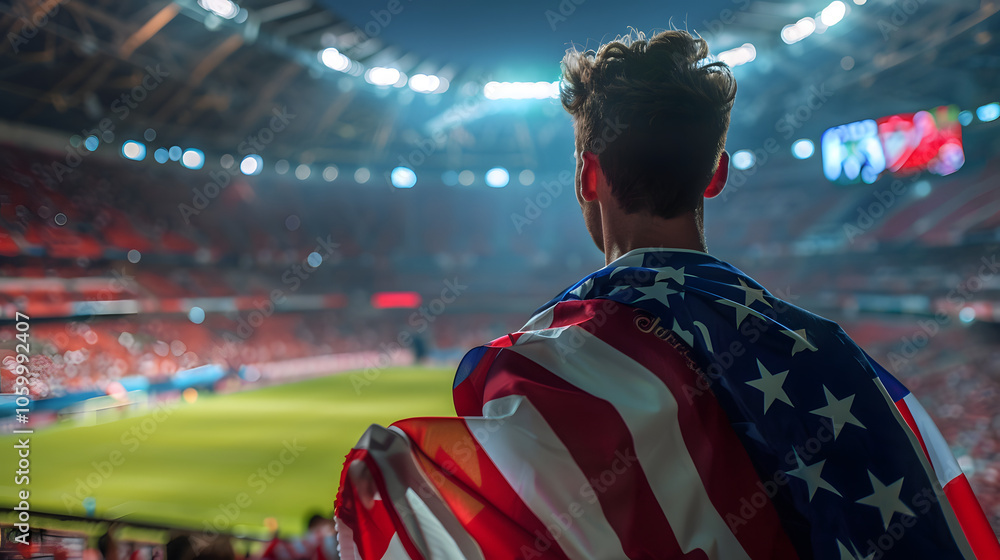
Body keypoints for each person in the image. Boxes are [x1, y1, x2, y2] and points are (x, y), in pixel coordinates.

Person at [333, 28, 1000, 559]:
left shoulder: (554, 368)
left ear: (587, 176)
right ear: (716, 174)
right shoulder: (833, 356)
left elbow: (419, 509)